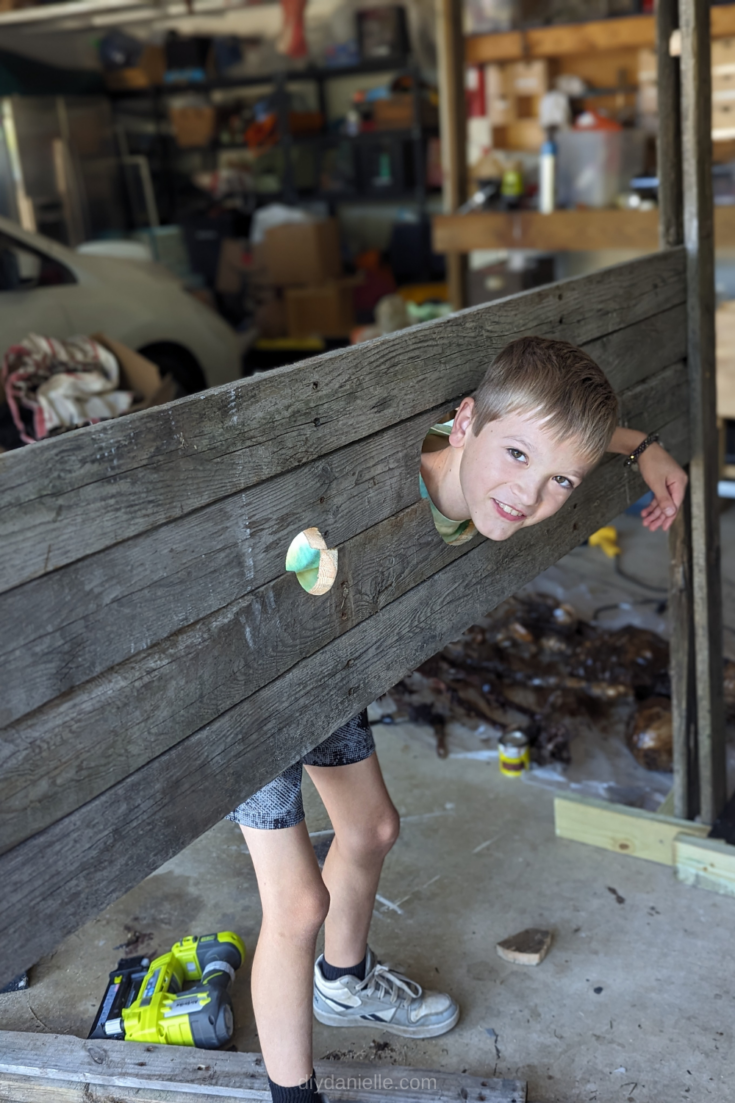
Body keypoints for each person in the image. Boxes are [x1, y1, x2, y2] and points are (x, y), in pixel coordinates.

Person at [228, 336, 688, 1103]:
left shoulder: (512, 451)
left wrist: (641, 446)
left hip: (324, 668)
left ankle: (341, 982)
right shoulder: (380, 472)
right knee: (299, 903)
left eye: (559, 481)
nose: (528, 495)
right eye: (512, 456)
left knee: (371, 828)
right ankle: (292, 1095)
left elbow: (548, 432)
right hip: (242, 682)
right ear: (463, 419)